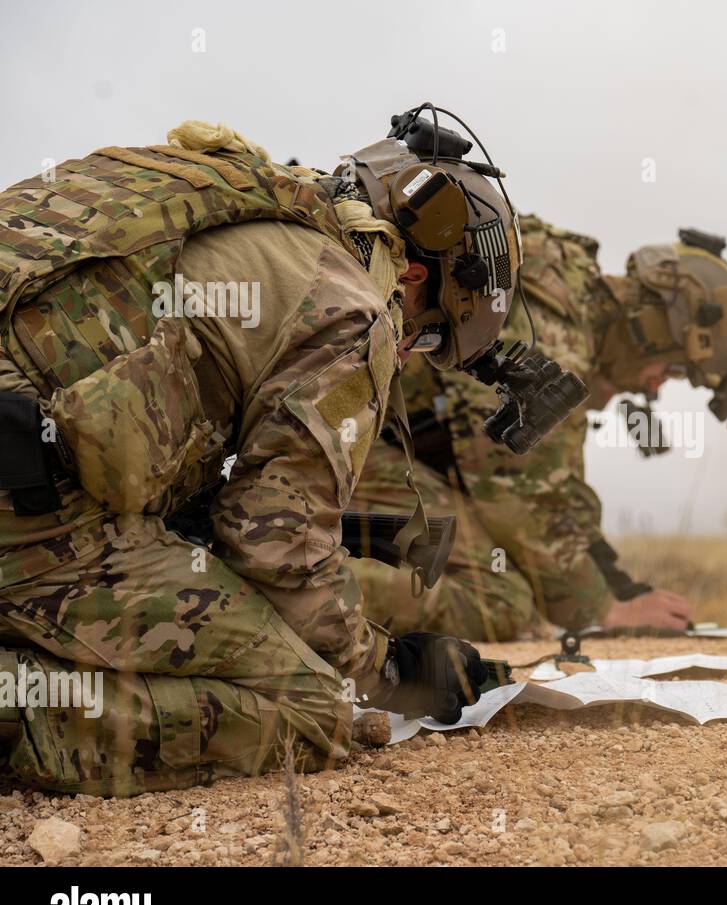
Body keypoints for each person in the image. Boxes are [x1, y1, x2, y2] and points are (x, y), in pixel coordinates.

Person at [0, 107, 519, 795]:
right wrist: (391, 669)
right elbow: (277, 545)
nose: (408, 349)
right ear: (416, 280)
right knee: (306, 707)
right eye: (424, 338)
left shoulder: (220, 195)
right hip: (29, 512)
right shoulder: (349, 306)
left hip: (29, 462)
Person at [348, 219, 727, 641]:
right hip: (355, 438)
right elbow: (515, 494)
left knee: (504, 580)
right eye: (670, 369)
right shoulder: (560, 340)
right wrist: (603, 610)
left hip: (368, 433)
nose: (655, 385)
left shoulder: (568, 297)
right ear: (648, 329)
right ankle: (297, 580)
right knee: (499, 602)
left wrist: (615, 583)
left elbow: (558, 489)